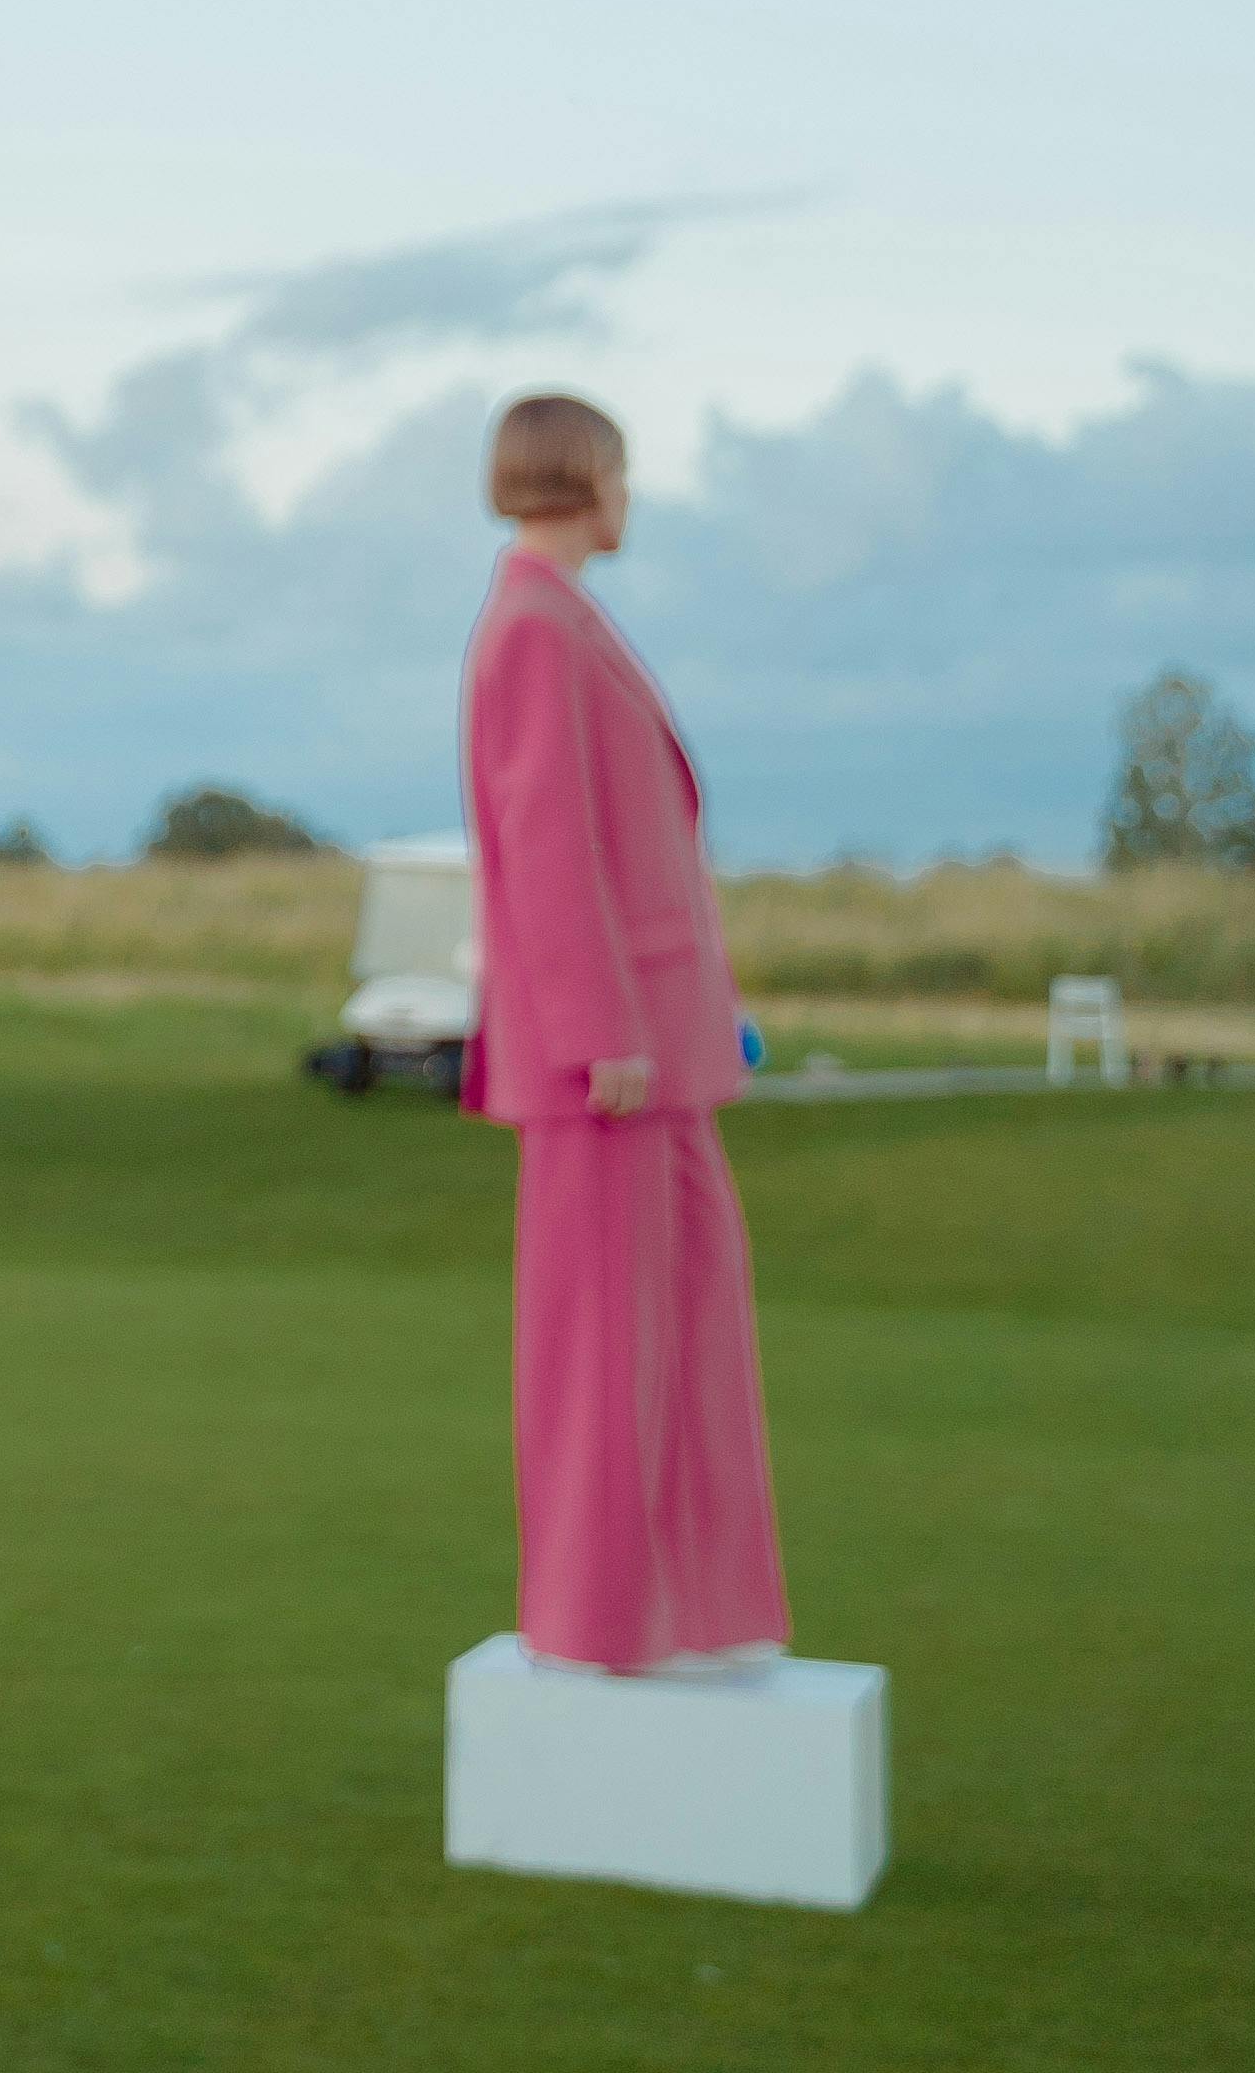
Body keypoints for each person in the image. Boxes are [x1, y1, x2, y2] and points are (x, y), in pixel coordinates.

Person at [460, 390, 790, 1672]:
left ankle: (697, 1611)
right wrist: (604, 1032)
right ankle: (599, 1629)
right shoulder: (536, 628)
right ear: (583, 476)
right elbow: (549, 849)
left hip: (663, 1052)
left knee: (692, 1328)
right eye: (622, 470)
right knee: (607, 1352)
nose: (631, 492)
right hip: (610, 1069)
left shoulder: (565, 618)